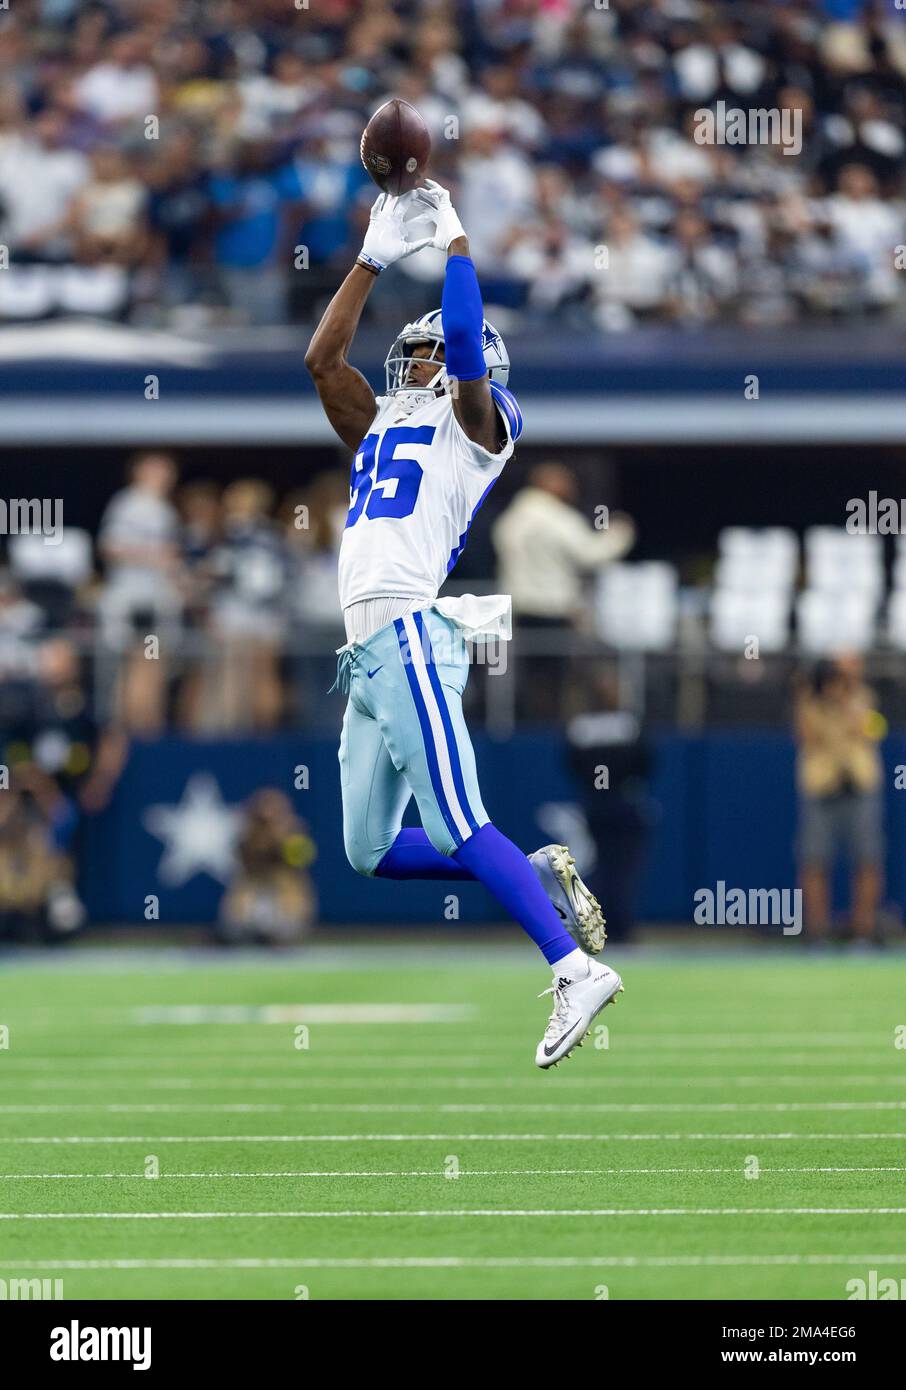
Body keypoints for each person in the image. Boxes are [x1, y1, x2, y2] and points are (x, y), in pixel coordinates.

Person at [305, 178, 622, 1068]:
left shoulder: (477, 425)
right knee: (370, 850)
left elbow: (471, 365)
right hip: (363, 653)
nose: (413, 362)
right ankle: (539, 873)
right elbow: (322, 364)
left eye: (429, 351)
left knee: (454, 821)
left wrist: (454, 245)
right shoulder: (382, 423)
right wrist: (371, 255)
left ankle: (573, 970)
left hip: (411, 631)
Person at [794, 655, 886, 943]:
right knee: (814, 859)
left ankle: (863, 932)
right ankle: (818, 932)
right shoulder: (809, 702)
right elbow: (807, 737)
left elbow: (873, 731)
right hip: (821, 787)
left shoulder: (865, 699)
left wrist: (848, 706)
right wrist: (816, 697)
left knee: (868, 858)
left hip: (859, 785)